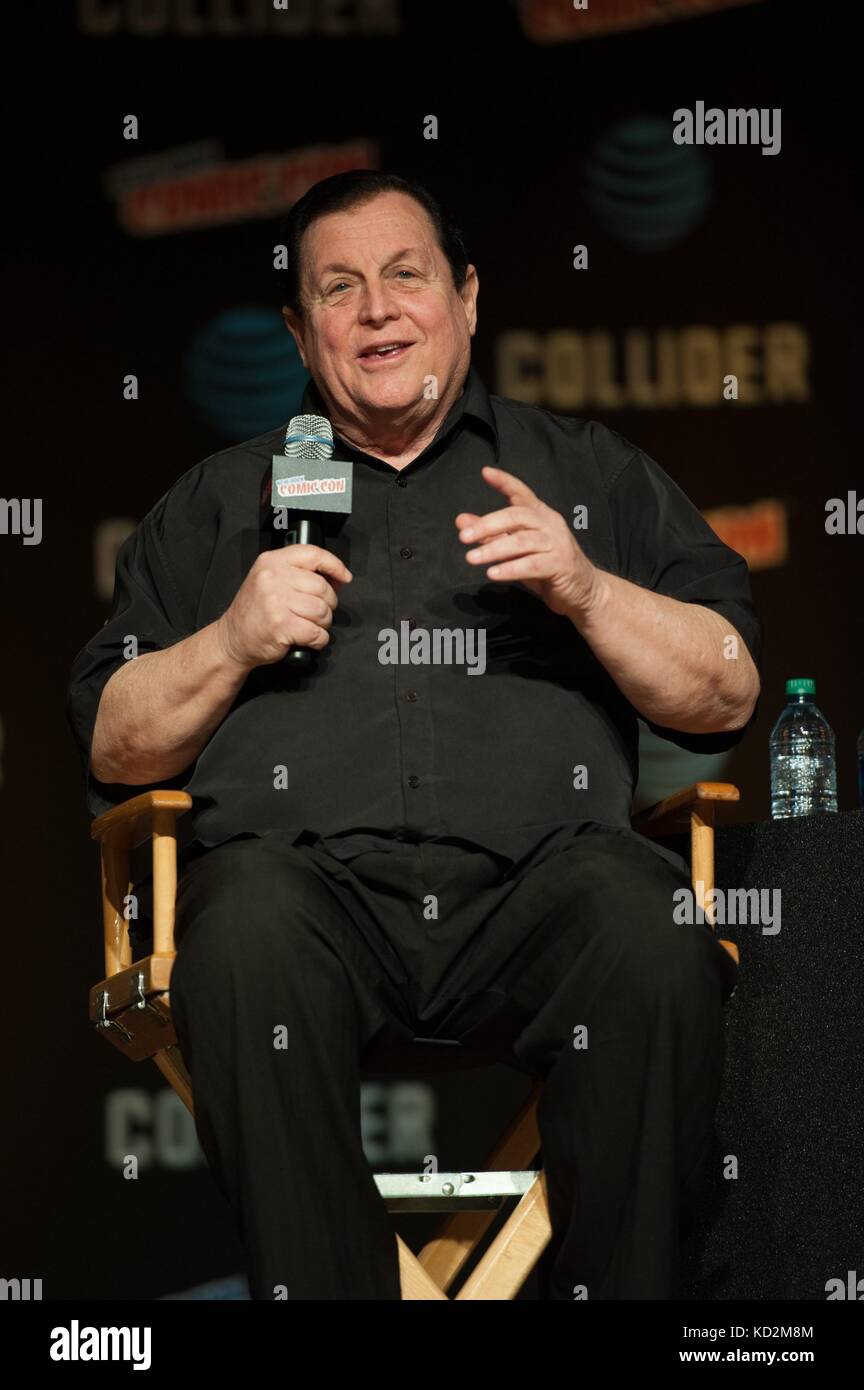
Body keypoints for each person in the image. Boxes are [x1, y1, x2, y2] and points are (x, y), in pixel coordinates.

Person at [66, 169, 761, 1301]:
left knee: (651, 925)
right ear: (299, 332)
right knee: (241, 930)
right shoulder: (214, 503)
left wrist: (588, 590)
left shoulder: (580, 473)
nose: (378, 309)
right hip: (306, 906)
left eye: (406, 275)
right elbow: (112, 741)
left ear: (469, 298)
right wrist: (231, 638)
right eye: (338, 288)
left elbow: (726, 690)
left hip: (544, 896)